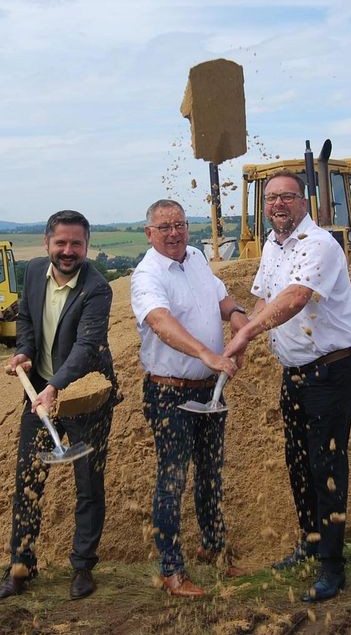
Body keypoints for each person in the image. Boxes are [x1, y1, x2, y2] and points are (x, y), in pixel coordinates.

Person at [224, 171, 351, 603]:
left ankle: (332, 567)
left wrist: (245, 335)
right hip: (297, 373)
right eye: (271, 199)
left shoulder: (319, 244)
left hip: (330, 371)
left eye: (287, 197)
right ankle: (311, 542)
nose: (277, 205)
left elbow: (296, 298)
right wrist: (249, 328)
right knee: (299, 460)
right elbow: (267, 296)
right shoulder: (272, 244)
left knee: (327, 465)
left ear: (305, 201)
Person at [131, 199, 250, 598]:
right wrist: (206, 353)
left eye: (179, 224)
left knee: (209, 473)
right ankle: (171, 568)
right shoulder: (147, 274)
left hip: (208, 390)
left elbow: (221, 299)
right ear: (150, 233)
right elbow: (161, 323)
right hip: (169, 392)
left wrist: (237, 317)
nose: (174, 233)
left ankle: (213, 548)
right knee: (172, 477)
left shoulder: (197, 257)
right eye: (164, 227)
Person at [0, 210, 118, 602]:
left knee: (88, 485)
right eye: (61, 243)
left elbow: (86, 348)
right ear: (47, 242)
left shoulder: (97, 288)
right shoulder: (33, 272)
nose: (68, 251)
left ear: (87, 246)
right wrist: (24, 355)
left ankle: (82, 567)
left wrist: (55, 387)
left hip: (85, 396)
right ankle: (21, 565)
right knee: (28, 481)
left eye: (76, 244)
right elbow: (28, 322)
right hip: (39, 398)